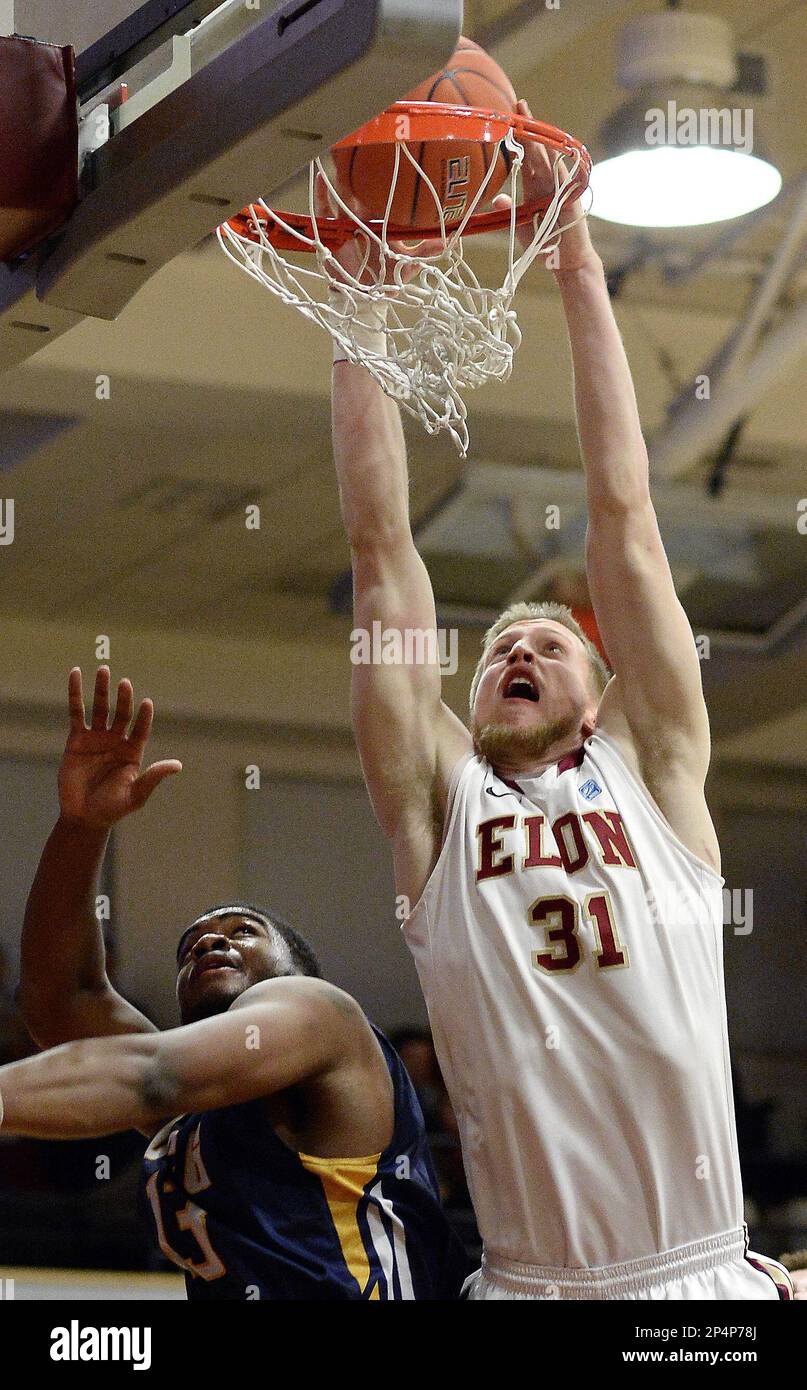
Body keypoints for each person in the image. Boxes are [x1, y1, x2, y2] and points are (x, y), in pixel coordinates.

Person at [328, 98, 792, 1300]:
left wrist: (576, 258)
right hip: (531, 1285)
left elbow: (624, 514)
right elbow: (383, 551)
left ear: (604, 699)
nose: (512, 651)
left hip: (695, 1289)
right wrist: (359, 313)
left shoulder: (654, 769)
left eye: (545, 640)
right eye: (491, 650)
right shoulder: (438, 802)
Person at [5, 666, 468, 1300]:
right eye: (189, 948)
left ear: (297, 968)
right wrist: (81, 828)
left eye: (241, 931)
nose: (211, 943)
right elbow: (62, 1003)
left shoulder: (319, 1013)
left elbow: (148, 1073)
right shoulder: (206, 1101)